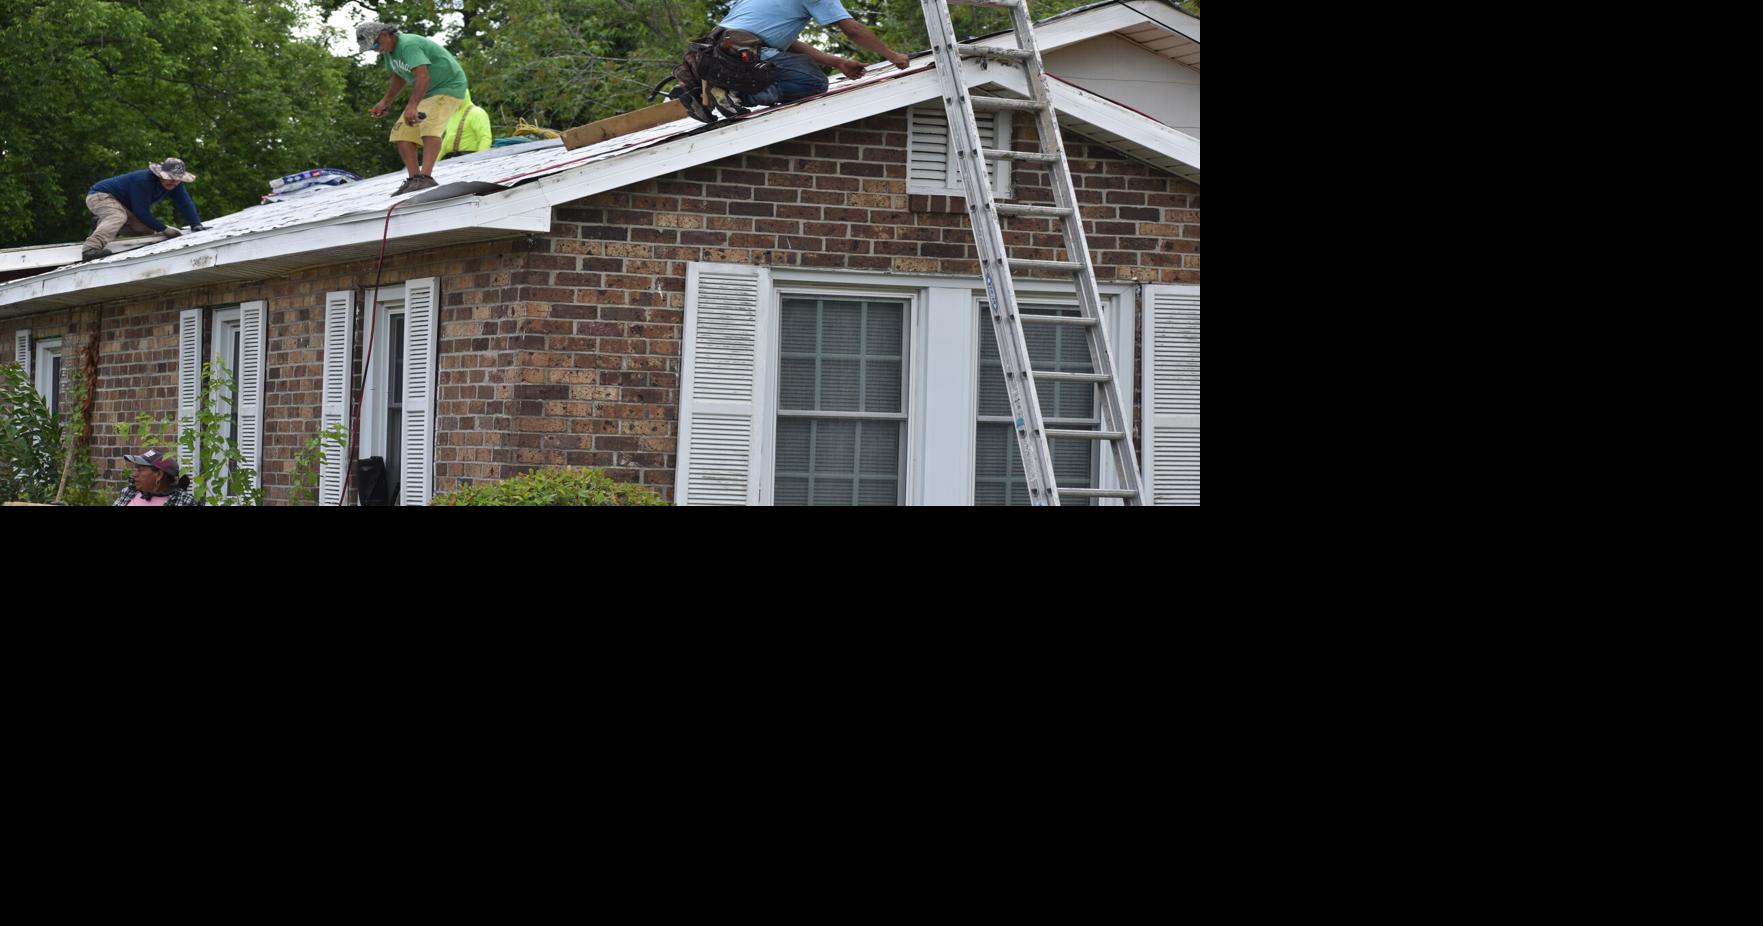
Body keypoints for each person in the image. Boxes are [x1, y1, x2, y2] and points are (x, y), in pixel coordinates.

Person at [717, 0, 911, 110]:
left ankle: (720, 86)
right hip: (744, 52)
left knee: (801, 66)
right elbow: (853, 30)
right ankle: (741, 94)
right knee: (814, 82)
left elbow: (788, 43)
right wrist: (892, 56)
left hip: (717, 50)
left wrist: (838, 62)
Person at [358, 21, 470, 195]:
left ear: (385, 35)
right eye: (371, 48)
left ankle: (426, 178)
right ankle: (414, 179)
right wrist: (385, 102)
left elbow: (423, 76)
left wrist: (412, 105)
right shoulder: (389, 52)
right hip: (429, 93)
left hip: (448, 87)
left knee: (429, 127)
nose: (375, 49)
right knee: (400, 134)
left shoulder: (408, 45)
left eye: (375, 44)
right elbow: (399, 77)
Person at [82, 159, 208, 262]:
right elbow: (141, 211)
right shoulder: (144, 180)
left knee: (146, 231)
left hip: (124, 206)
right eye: (170, 178)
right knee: (117, 217)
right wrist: (164, 229)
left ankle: (101, 222)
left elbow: (185, 203)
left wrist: (196, 224)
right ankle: (90, 249)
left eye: (177, 179)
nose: (174, 182)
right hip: (101, 195)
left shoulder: (176, 185)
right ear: (160, 175)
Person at [112, 448, 201, 506]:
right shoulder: (128, 492)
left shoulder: (184, 501)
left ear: (159, 475)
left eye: (140, 470)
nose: (134, 474)